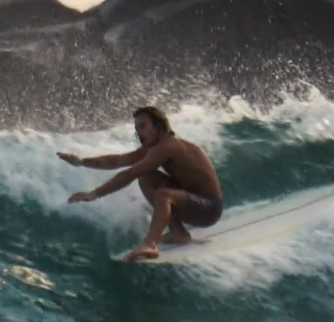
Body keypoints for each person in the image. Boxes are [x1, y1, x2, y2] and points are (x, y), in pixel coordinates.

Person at [57, 106, 224, 262]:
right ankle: (178, 232)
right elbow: (119, 160)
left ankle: (150, 244)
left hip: (209, 208)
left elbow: (129, 173)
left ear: (158, 126)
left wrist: (94, 193)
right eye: (136, 128)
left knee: (163, 195)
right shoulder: (156, 147)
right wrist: (82, 162)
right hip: (191, 200)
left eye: (143, 126)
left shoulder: (169, 146)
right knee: (146, 176)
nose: (139, 133)